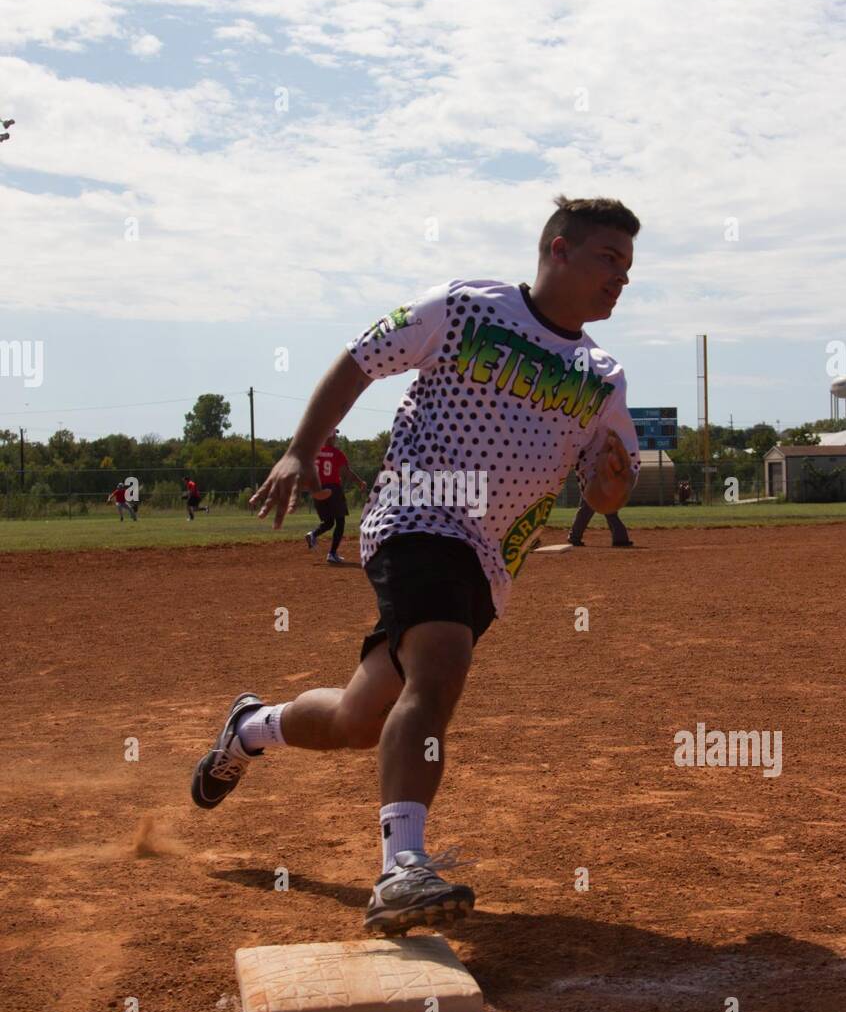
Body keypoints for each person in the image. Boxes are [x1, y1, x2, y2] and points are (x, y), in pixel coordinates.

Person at [191, 196, 641, 936]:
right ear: (558, 250)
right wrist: (301, 448)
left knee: (356, 719)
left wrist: (610, 485)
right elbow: (360, 362)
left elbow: (607, 478)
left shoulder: (603, 376)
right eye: (607, 259)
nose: (620, 278)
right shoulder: (467, 308)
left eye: (627, 267)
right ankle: (402, 869)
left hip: (491, 558)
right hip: (419, 513)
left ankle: (250, 728)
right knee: (438, 669)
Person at [305, 432, 368, 564]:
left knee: (328, 522)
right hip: (333, 489)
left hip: (318, 490)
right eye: (335, 435)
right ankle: (332, 554)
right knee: (340, 522)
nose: (336, 438)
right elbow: (346, 472)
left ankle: (313, 534)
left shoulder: (314, 452)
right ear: (331, 437)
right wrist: (360, 483)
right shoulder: (336, 453)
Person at [568, 494, 633, 547]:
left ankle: (574, 537)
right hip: (595, 486)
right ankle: (620, 539)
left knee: (586, 511)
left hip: (600, 485)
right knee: (586, 510)